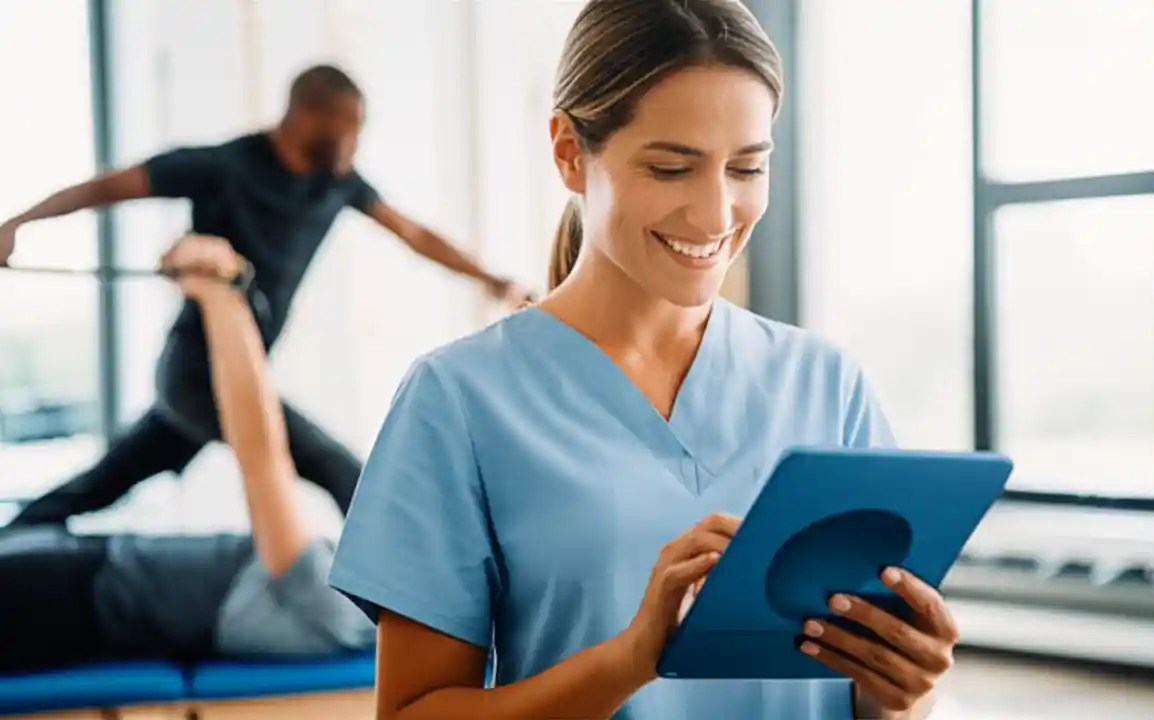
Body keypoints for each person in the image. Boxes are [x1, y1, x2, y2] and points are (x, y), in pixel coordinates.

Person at [327, 1, 957, 719]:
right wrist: (631, 660)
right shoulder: (459, 401)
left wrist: (901, 692)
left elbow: (865, 699)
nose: (715, 214)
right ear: (570, 152)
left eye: (747, 167)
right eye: (671, 168)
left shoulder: (826, 386)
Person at [1, 65, 531, 527]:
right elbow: (108, 187)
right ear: (304, 115)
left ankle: (13, 542)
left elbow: (416, 235)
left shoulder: (338, 183)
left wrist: (494, 280)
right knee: (343, 472)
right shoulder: (225, 166)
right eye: (345, 129)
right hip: (197, 375)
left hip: (232, 377)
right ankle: (397, 603)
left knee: (96, 487)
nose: (353, 144)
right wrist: (17, 223)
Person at [0, 234, 372, 674]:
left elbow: (262, 460)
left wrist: (223, 296)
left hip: (78, 596)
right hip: (91, 563)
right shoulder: (358, 593)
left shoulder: (336, 610)